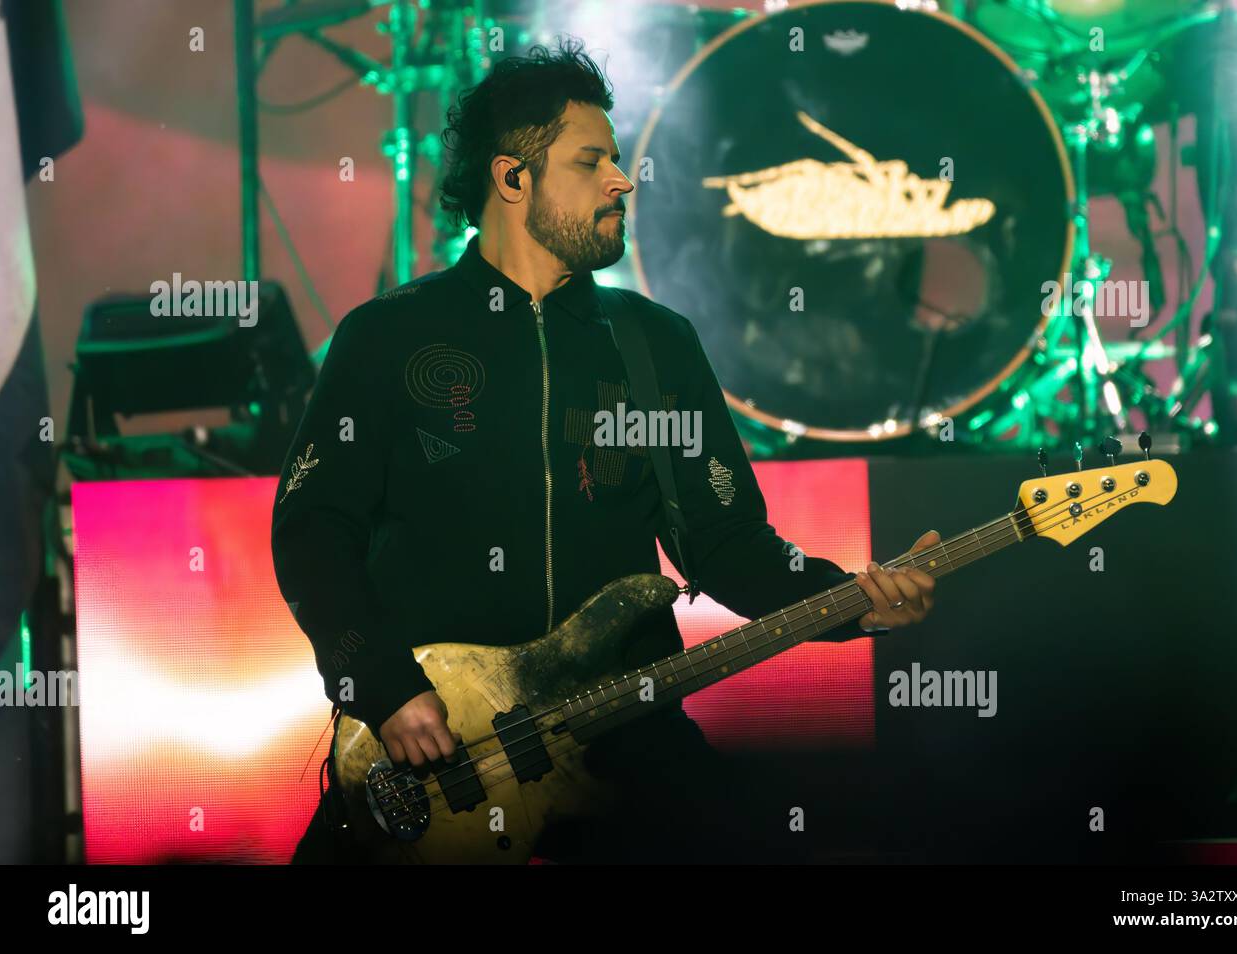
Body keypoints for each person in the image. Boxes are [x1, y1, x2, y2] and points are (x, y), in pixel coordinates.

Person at [272, 39, 937, 864]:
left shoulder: (654, 345)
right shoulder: (387, 338)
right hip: (441, 745)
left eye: (617, 161)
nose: (623, 181)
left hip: (626, 731)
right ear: (512, 178)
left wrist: (854, 602)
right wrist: (381, 688)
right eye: (592, 163)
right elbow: (312, 534)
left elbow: (727, 545)